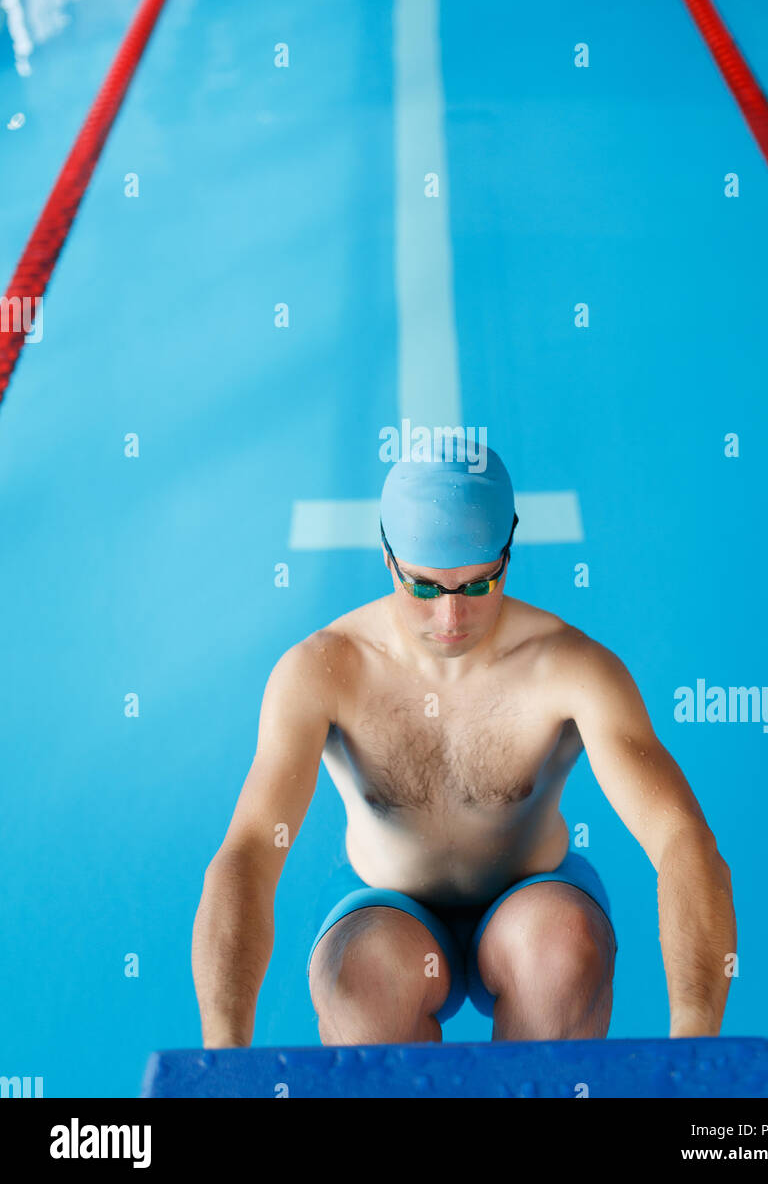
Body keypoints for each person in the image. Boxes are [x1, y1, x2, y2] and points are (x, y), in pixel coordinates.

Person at [192, 443, 735, 1046]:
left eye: (479, 584)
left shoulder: (572, 668)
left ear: (509, 551)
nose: (451, 618)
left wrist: (696, 1036)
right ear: (388, 559)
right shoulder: (324, 670)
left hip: (532, 897)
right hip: (383, 902)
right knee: (363, 979)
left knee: (562, 950)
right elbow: (249, 851)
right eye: (424, 588)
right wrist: (223, 1048)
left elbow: (681, 838)